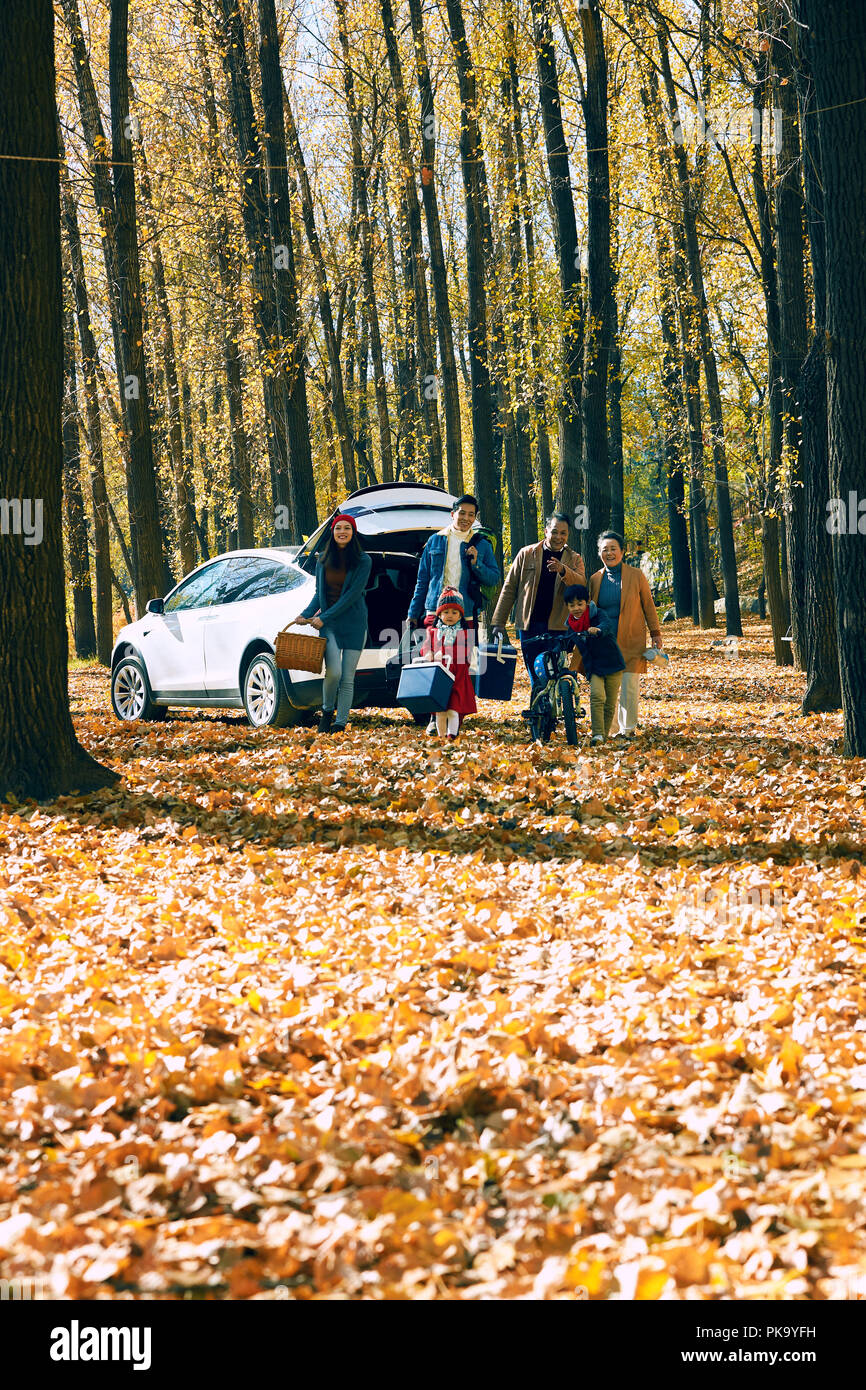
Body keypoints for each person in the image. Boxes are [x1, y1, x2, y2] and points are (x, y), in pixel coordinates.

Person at [291, 513, 372, 734]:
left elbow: (352, 596)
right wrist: (305, 614)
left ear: (353, 532)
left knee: (347, 677)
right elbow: (319, 593)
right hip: (330, 625)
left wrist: (323, 617)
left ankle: (340, 723)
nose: (342, 532)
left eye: (347, 528)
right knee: (333, 672)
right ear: (333, 532)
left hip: (354, 623)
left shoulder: (364, 560)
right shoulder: (323, 558)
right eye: (338, 528)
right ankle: (327, 713)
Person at [490, 512, 586, 685]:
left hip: (560, 626)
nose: (559, 537)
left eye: (563, 533)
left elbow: (581, 585)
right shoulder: (526, 553)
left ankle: (560, 707)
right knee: (536, 674)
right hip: (530, 624)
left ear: (568, 535)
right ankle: (538, 707)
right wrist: (499, 622)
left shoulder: (574, 558)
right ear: (546, 531)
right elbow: (509, 588)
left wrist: (563, 570)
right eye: (555, 532)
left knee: (557, 673)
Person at [588, 531, 662, 740]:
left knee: (629, 684)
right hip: (604, 642)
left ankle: (627, 729)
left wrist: (655, 632)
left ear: (622, 551)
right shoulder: (595, 579)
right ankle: (607, 729)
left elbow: (648, 605)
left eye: (613, 549)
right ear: (599, 553)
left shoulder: (636, 575)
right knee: (606, 687)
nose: (609, 553)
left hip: (631, 638)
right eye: (605, 550)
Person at [408, 494, 500, 631]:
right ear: (453, 514)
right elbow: (422, 581)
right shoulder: (435, 540)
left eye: (471, 515)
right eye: (462, 513)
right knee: (433, 652)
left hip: (466, 612)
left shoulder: (482, 544)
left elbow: (493, 579)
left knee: (462, 653)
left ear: (475, 517)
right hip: (435, 611)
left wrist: (476, 563)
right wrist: (413, 613)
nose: (466, 518)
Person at [563, 584, 626, 745]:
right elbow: (567, 643)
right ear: (567, 607)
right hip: (593, 666)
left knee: (610, 702)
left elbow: (606, 625)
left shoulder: (598, 614)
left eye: (580, 604)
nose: (576, 608)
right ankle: (597, 734)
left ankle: (603, 737)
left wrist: (597, 630)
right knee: (597, 696)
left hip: (612, 662)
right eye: (572, 605)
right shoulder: (571, 625)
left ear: (587, 602)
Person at [418, 587, 476, 739]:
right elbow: (426, 646)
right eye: (446, 612)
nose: (450, 616)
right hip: (438, 675)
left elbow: (464, 652)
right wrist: (428, 653)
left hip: (456, 676)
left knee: (453, 709)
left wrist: (444, 653)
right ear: (440, 614)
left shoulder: (463, 633)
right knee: (440, 710)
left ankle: (452, 735)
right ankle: (442, 735)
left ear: (460, 615)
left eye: (454, 612)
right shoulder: (433, 631)